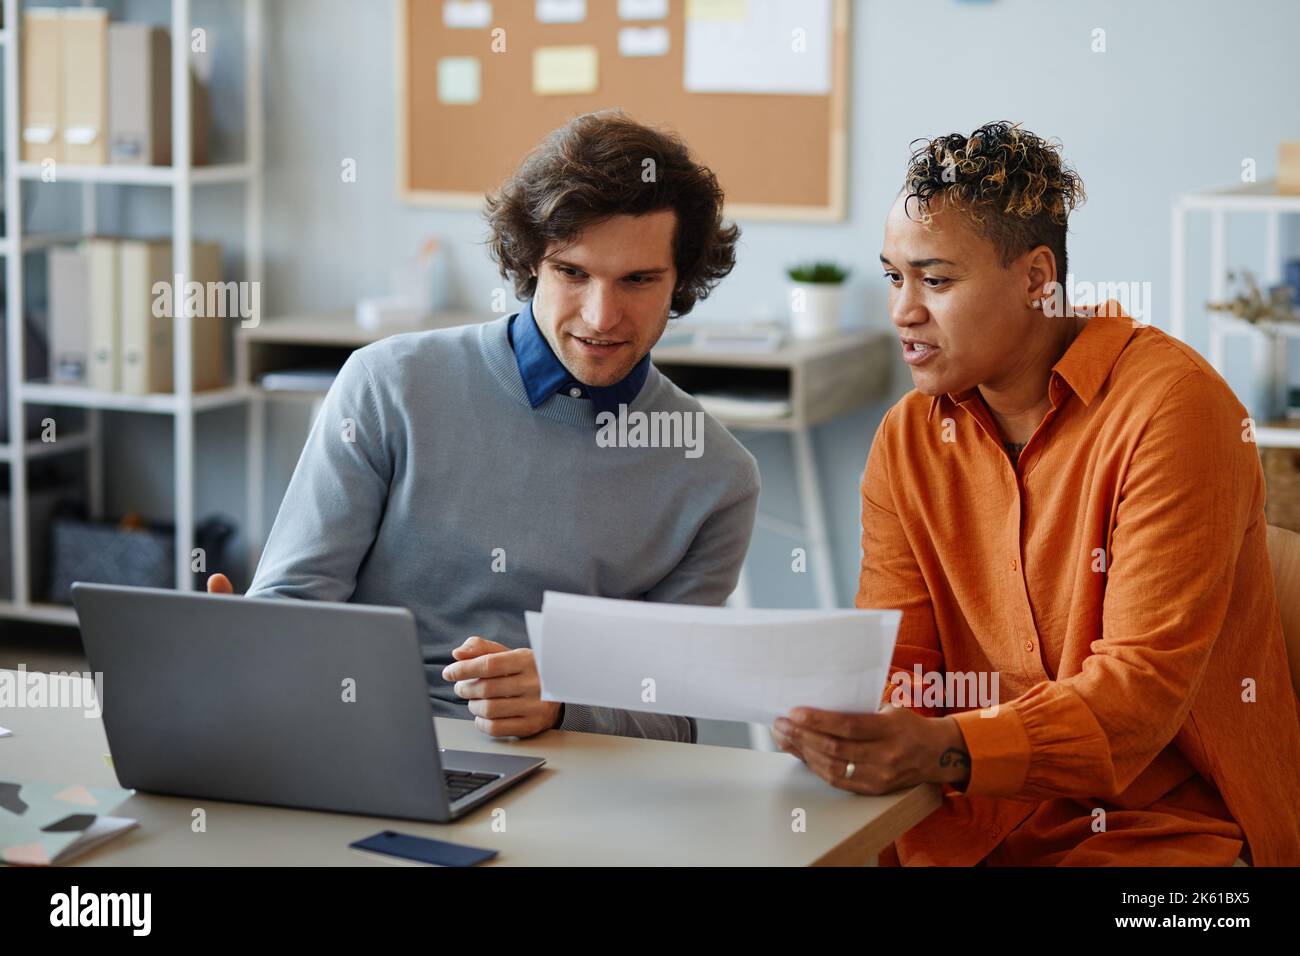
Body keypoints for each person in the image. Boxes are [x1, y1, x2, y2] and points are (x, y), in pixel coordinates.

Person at [773, 121, 1300, 865]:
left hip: (1167, 835)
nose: (903, 310)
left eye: (937, 279)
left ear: (1035, 277)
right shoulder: (907, 438)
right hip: (962, 825)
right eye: (895, 276)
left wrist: (945, 748)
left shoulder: (1174, 409)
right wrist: (865, 730)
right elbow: (902, 661)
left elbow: (1136, 697)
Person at [209, 110, 760, 744]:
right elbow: (295, 602)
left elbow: (668, 710)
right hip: (366, 738)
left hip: (574, 769)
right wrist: (245, 644)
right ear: (530, 263)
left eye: (638, 280)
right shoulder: (390, 383)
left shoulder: (717, 478)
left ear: (681, 282)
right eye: (572, 273)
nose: (601, 316)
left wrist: (560, 707)